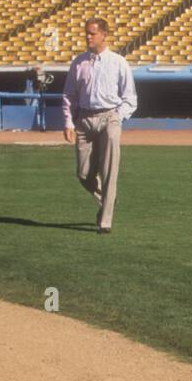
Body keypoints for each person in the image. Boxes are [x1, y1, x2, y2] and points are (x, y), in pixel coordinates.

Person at [62, 18, 137, 233]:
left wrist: (117, 118)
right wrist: (68, 122)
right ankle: (108, 200)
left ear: (104, 34)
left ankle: (105, 222)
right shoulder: (79, 62)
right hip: (84, 120)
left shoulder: (118, 62)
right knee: (83, 174)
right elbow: (69, 95)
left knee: (109, 171)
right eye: (86, 33)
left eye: (92, 33)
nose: (88, 37)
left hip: (110, 117)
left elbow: (130, 97)